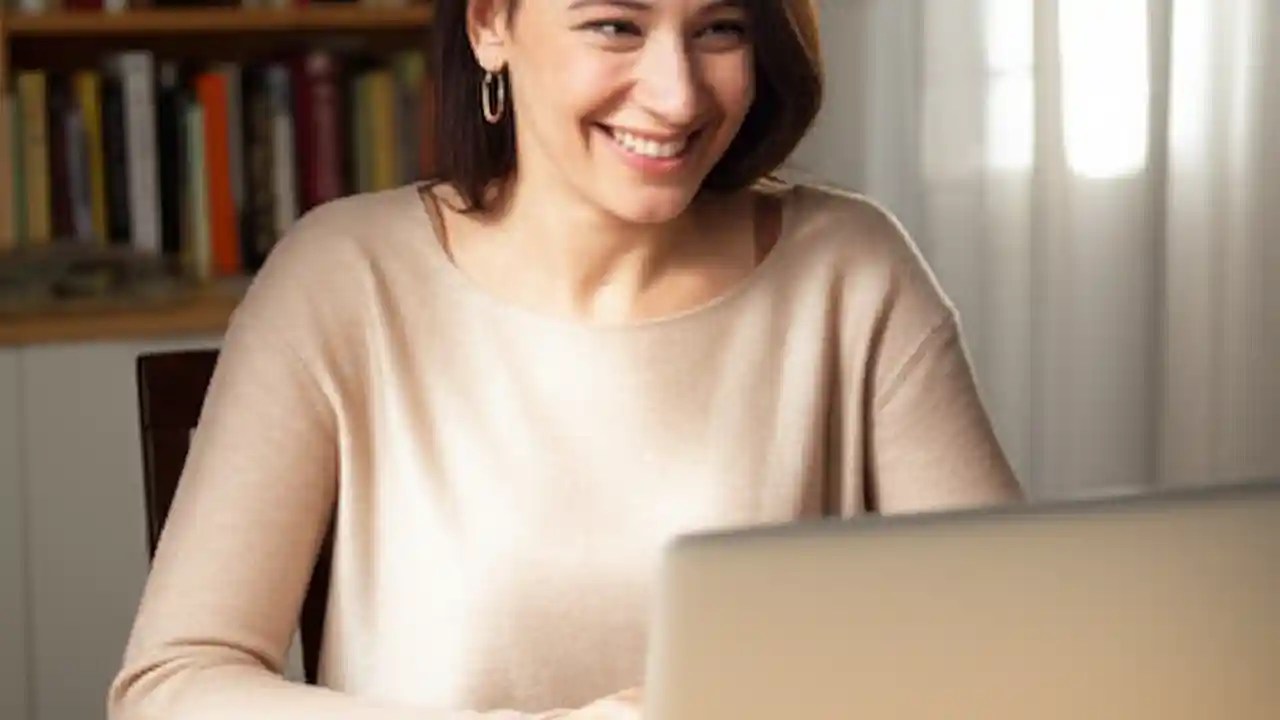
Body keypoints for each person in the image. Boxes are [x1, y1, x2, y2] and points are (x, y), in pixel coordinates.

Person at [108, 0, 1022, 718]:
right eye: (615, 26)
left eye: (720, 30)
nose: (678, 95)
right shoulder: (343, 275)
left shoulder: (852, 268)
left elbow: (1014, 641)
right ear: (489, 23)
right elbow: (173, 686)